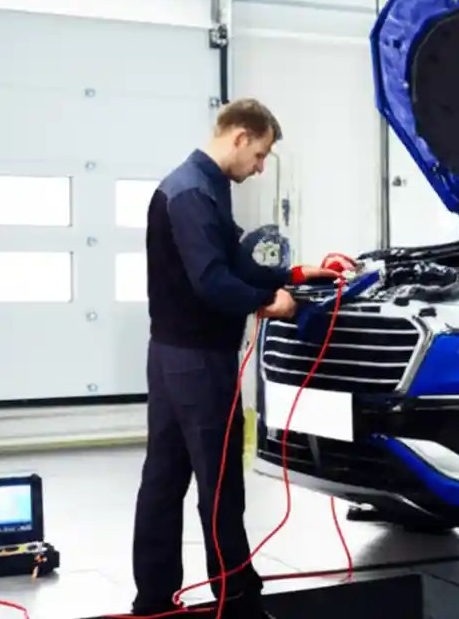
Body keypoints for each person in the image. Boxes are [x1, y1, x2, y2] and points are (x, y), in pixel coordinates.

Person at [130, 98, 339, 618]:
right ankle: (238, 602)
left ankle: (153, 602)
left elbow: (234, 259)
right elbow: (212, 280)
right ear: (240, 136)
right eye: (261, 154)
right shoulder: (193, 192)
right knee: (221, 484)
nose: (261, 167)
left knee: (164, 479)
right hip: (199, 362)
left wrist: (294, 274)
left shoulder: (200, 185)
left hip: (170, 356)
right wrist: (272, 302)